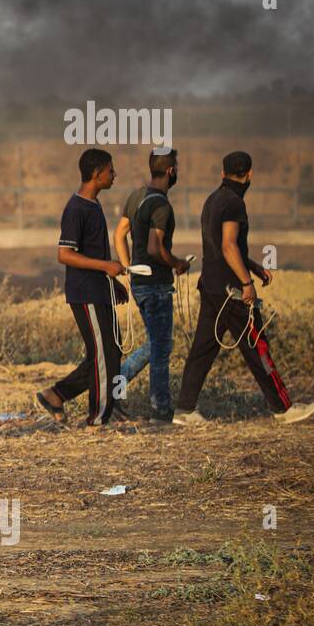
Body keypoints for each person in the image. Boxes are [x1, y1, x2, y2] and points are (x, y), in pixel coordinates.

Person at [173, 151, 314, 425]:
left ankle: (184, 410)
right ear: (249, 174)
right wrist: (247, 283)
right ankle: (284, 408)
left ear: (222, 173)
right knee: (258, 346)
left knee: (202, 350)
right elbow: (228, 245)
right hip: (232, 293)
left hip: (212, 287)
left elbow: (224, 246)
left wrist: (254, 266)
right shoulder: (235, 203)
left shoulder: (213, 199)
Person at [36, 148, 125, 426]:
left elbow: (95, 254)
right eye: (111, 170)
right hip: (85, 293)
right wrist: (106, 267)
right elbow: (64, 254)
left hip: (99, 289)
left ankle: (57, 394)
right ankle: (97, 418)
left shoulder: (94, 204)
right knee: (101, 355)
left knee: (112, 351)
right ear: (97, 175)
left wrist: (114, 282)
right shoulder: (76, 209)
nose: (114, 175)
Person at [111, 147, 190, 421]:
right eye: (176, 167)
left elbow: (119, 234)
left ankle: (113, 386)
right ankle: (160, 410)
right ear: (171, 171)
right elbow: (156, 249)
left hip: (140, 282)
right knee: (160, 350)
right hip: (156, 284)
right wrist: (178, 263)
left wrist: (127, 268)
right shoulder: (161, 205)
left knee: (158, 344)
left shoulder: (135, 197)